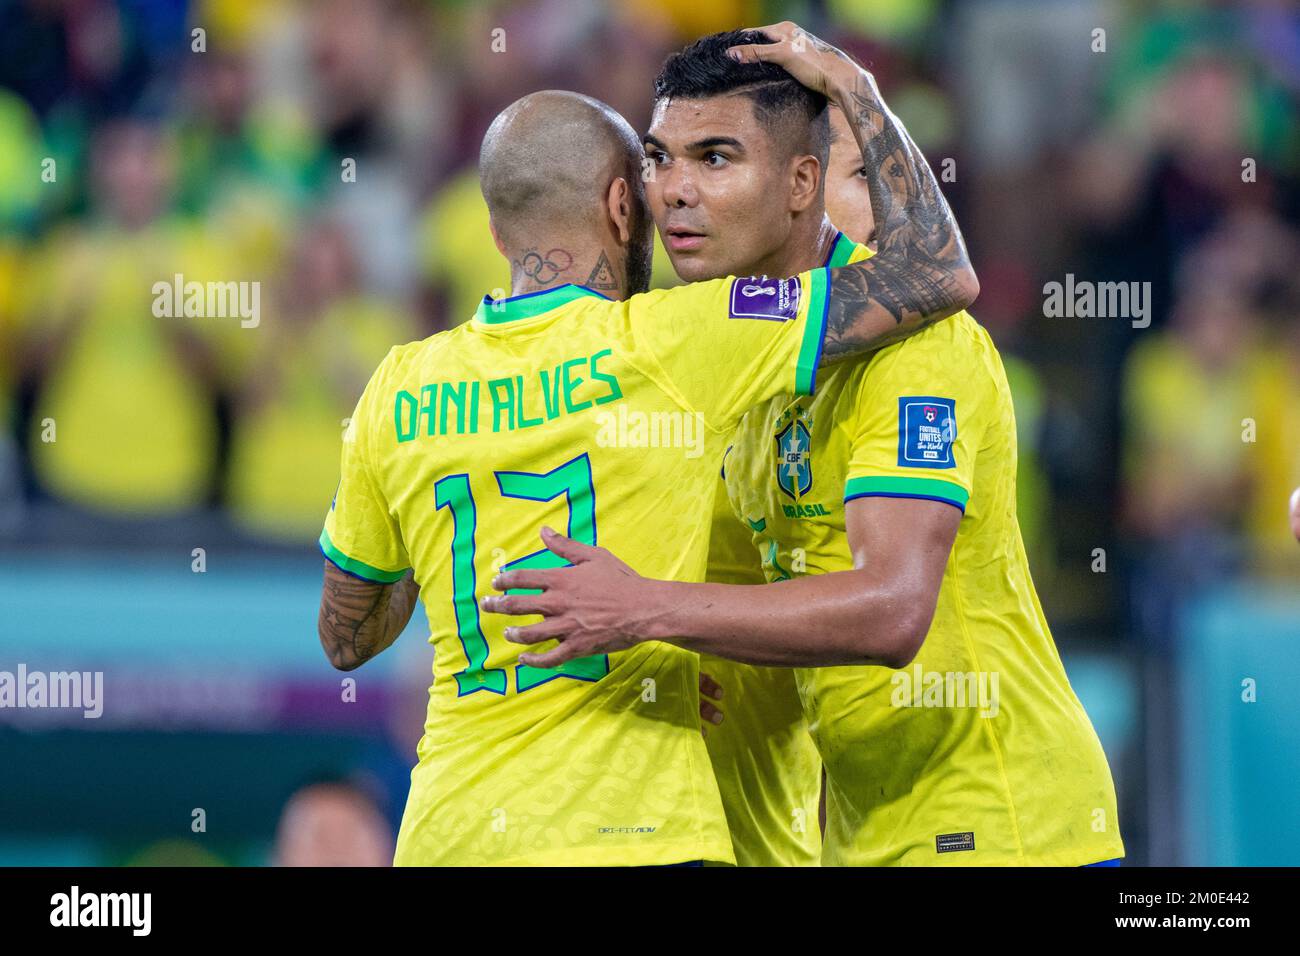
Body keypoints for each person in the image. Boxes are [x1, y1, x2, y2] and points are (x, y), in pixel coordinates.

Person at [487, 23, 1124, 867]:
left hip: (1002, 828)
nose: (675, 189)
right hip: (863, 840)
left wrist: (643, 606)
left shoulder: (915, 348)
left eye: (715, 158)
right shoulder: (736, 364)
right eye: (659, 158)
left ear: (801, 183)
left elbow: (893, 608)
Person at [315, 80, 978, 864]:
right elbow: (936, 277)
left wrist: (466, 516)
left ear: (496, 232)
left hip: (453, 835)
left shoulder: (399, 385)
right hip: (633, 835)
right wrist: (856, 87)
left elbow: (346, 636)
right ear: (624, 206)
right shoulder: (673, 340)